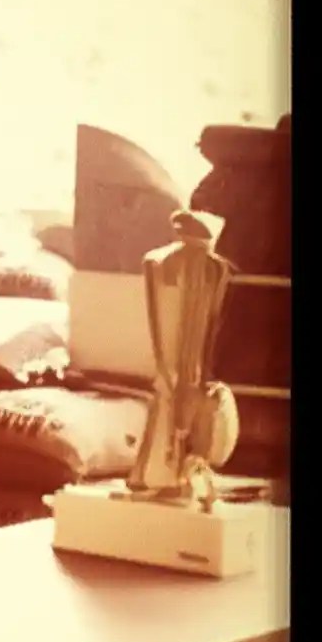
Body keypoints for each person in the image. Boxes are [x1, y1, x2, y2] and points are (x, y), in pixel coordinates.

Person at [126, 210, 238, 511]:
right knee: (169, 401)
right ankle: (160, 473)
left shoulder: (215, 271)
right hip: (172, 367)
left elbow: (210, 325)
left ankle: (182, 471)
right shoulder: (160, 264)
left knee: (185, 404)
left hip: (191, 367)